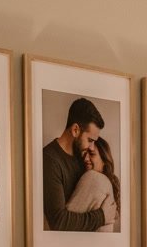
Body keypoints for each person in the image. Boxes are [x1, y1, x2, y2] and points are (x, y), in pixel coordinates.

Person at [42, 97, 116, 231]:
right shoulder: (49, 160)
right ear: (75, 130)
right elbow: (58, 221)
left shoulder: (82, 158)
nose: (91, 147)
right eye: (90, 140)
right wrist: (102, 216)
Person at [66, 137, 120, 232]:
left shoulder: (93, 177)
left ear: (104, 160)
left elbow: (63, 225)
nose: (85, 159)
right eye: (84, 154)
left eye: (91, 154)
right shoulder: (106, 181)